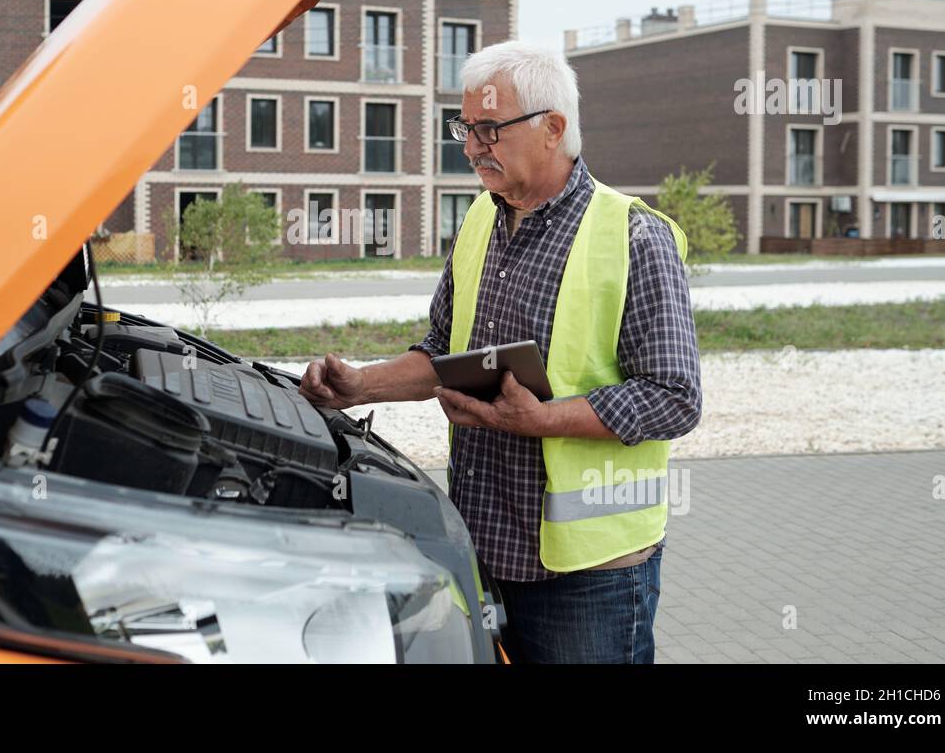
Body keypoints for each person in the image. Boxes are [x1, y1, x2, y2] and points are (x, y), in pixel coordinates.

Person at [299, 40, 702, 663]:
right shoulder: (480, 222)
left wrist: (541, 420)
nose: (470, 146)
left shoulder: (634, 236)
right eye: (465, 128)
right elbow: (443, 353)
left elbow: (674, 398)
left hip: (589, 576)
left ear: (554, 128)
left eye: (489, 128)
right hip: (481, 547)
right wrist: (361, 386)